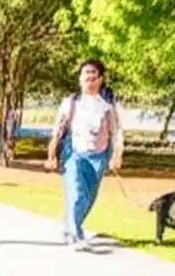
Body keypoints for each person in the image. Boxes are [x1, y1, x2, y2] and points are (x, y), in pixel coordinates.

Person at [44, 59, 124, 251]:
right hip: (73, 154)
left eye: (93, 75)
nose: (89, 79)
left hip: (98, 156)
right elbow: (57, 130)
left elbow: (117, 132)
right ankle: (74, 234)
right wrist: (51, 155)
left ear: (100, 79)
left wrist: (117, 155)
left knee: (88, 198)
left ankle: (69, 227)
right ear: (80, 79)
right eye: (85, 75)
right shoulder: (70, 103)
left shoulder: (107, 106)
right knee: (76, 191)